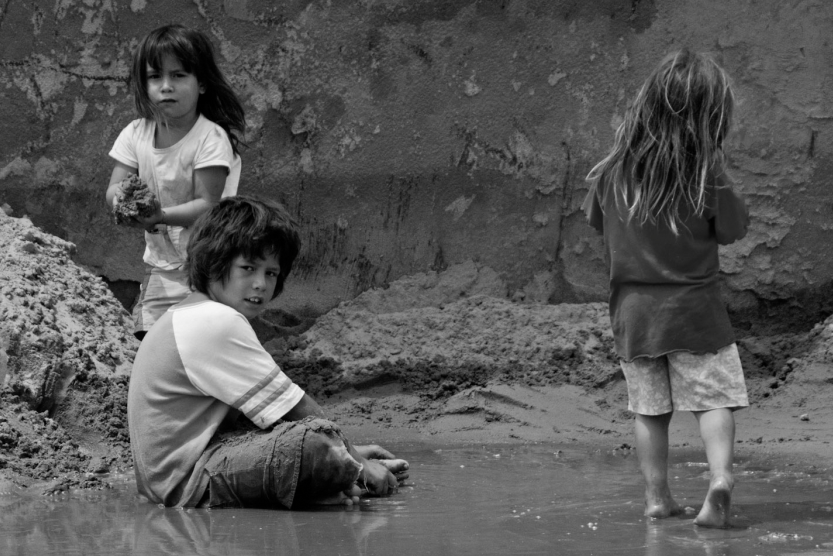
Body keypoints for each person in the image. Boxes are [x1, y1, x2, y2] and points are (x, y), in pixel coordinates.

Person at [127, 195, 409, 508]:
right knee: (314, 445)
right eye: (247, 268)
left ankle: (331, 486)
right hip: (187, 483)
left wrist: (349, 452)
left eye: (271, 273)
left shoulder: (191, 312)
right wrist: (358, 465)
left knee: (315, 445)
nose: (261, 284)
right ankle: (335, 486)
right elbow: (299, 408)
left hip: (175, 477)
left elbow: (267, 416)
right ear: (213, 263)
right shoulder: (215, 320)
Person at [582, 50, 749, 528]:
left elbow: (597, 221)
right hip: (695, 311)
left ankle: (657, 498)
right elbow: (734, 228)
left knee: (649, 412)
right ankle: (719, 479)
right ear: (709, 114)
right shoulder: (705, 173)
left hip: (634, 314)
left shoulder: (613, 171)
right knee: (714, 401)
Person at [105, 24, 246, 340]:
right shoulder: (135, 133)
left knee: (205, 341)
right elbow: (113, 188)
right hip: (161, 265)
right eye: (155, 77)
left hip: (209, 265)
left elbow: (208, 206)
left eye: (179, 75)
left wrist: (160, 215)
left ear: (203, 84)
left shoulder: (210, 139)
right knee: (148, 339)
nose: (166, 86)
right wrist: (124, 201)